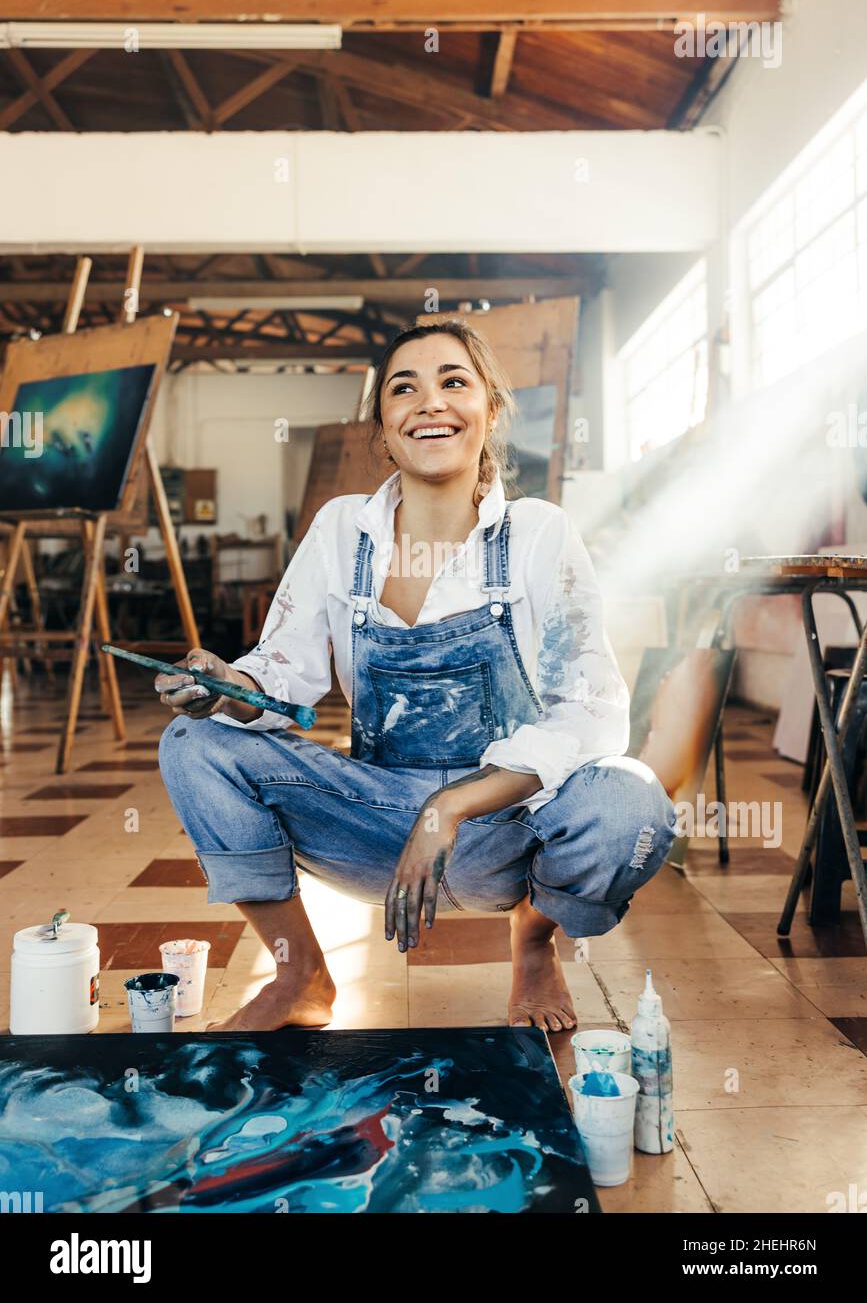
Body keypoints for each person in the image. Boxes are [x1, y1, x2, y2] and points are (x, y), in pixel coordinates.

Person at [158, 320, 676, 1033]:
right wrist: (227, 686)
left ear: (489, 410)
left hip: (505, 828)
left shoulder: (536, 533)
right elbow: (283, 677)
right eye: (405, 388)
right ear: (383, 425)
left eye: (453, 382)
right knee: (194, 744)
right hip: (372, 821)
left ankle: (532, 951)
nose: (429, 402)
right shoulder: (344, 531)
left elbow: (589, 711)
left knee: (629, 801)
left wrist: (453, 807)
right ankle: (300, 972)